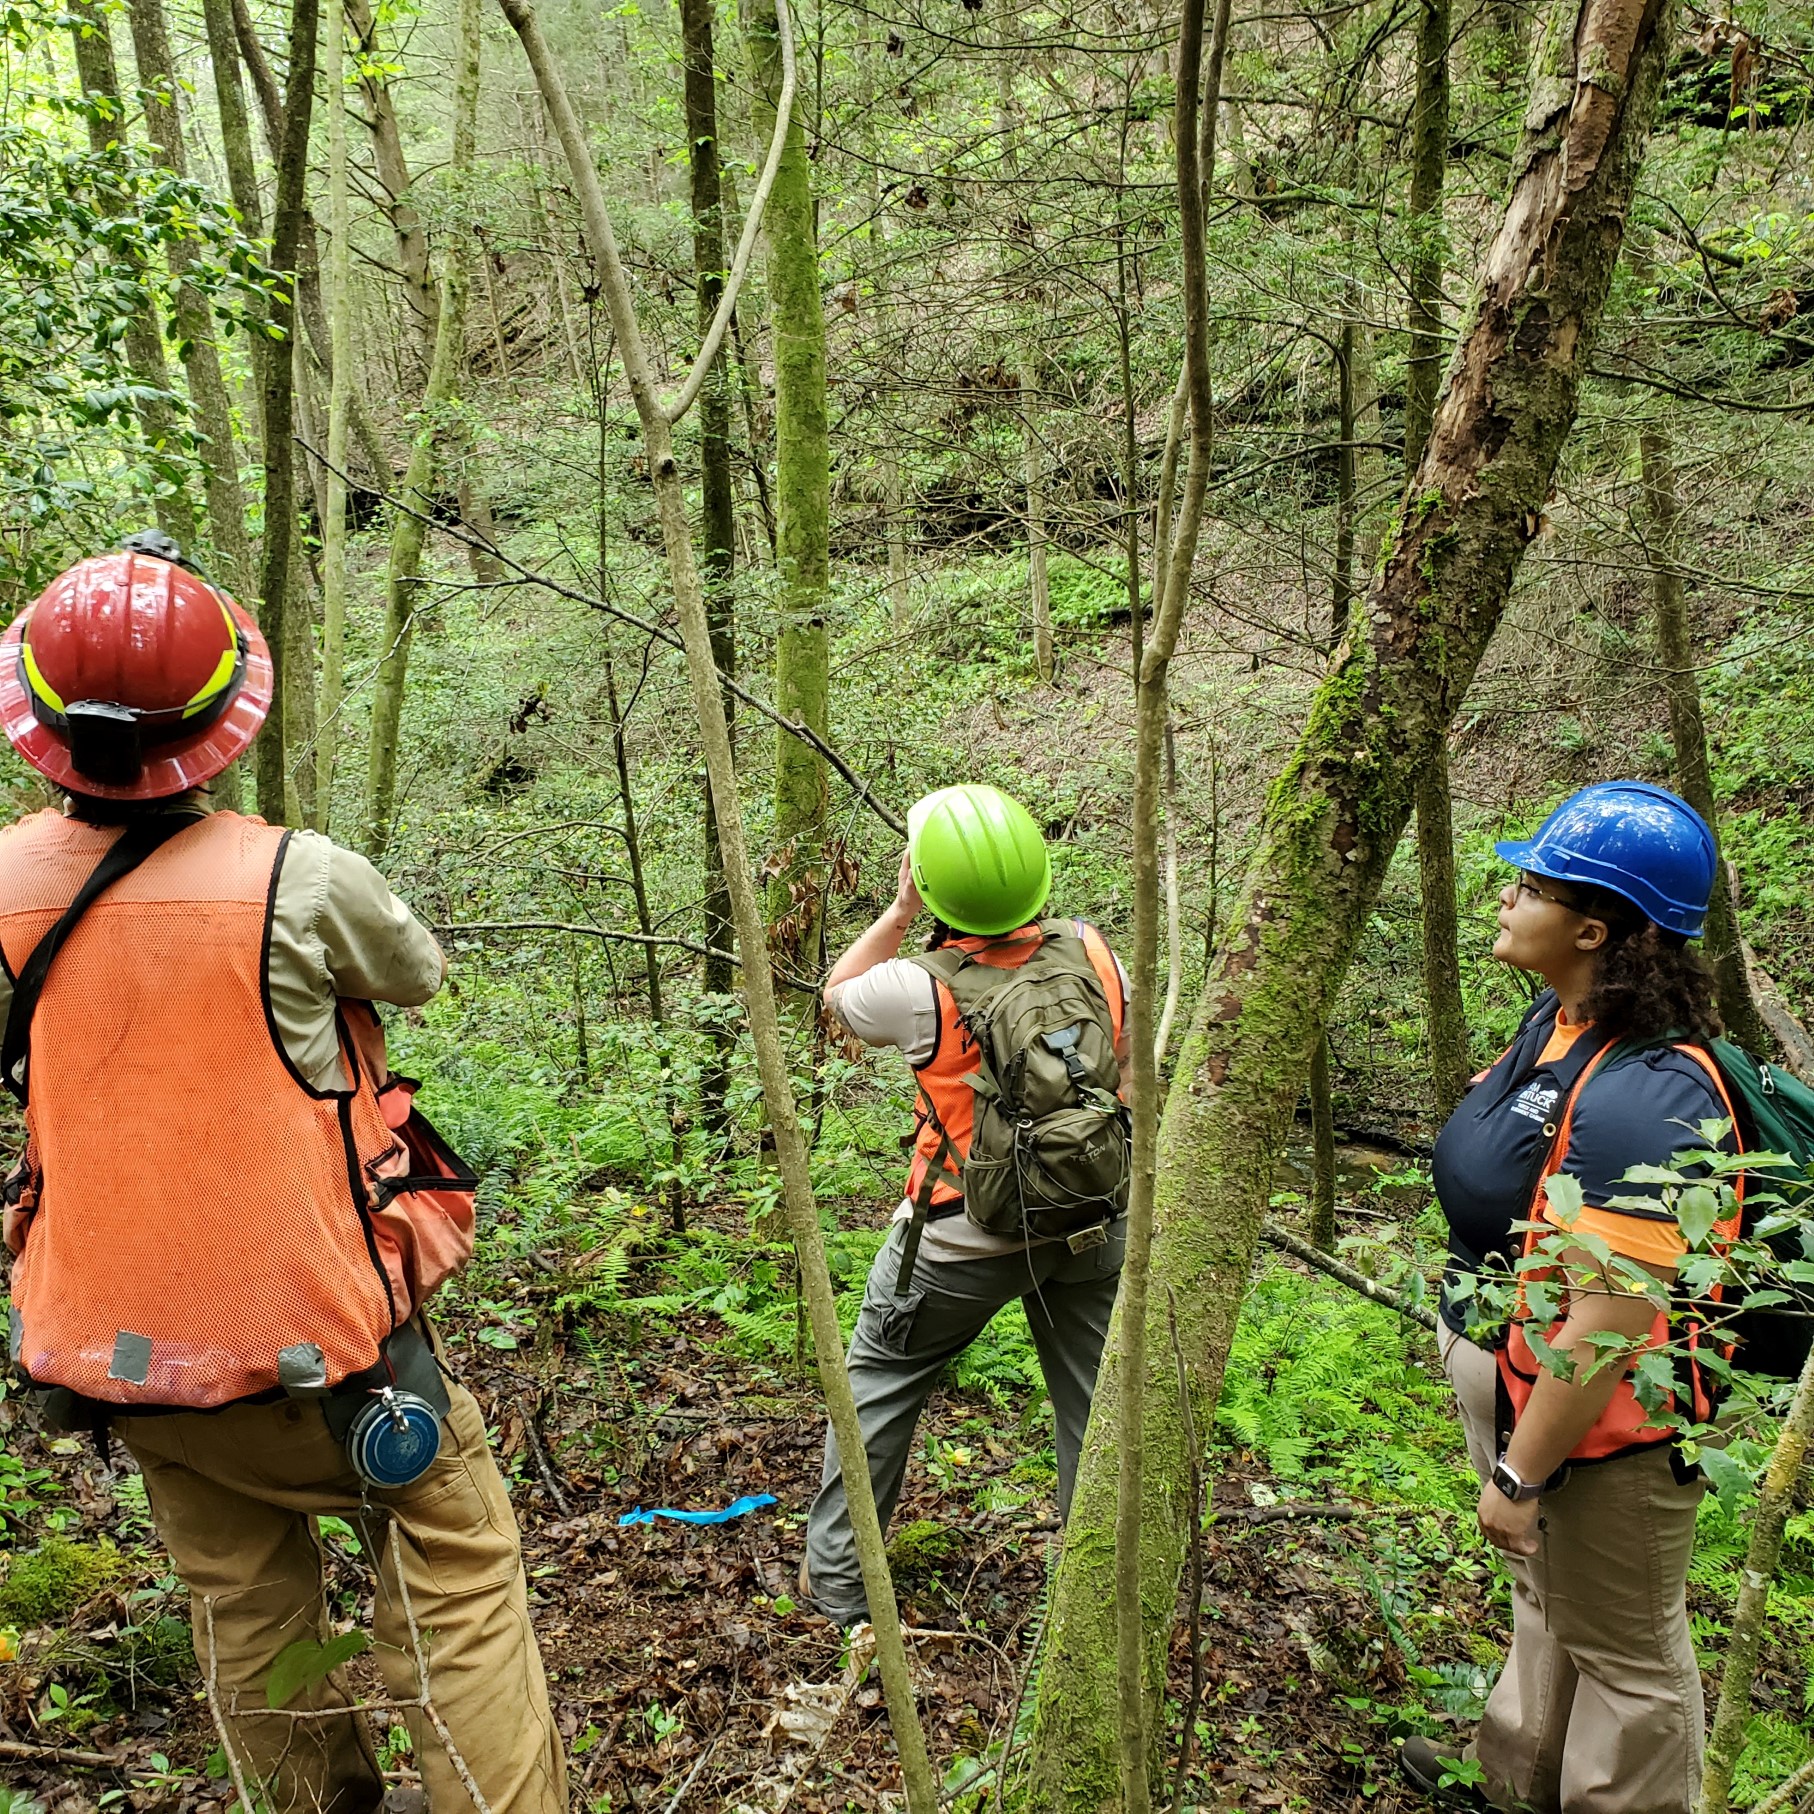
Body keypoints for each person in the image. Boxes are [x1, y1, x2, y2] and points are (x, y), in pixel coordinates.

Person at [0, 538, 566, 1814]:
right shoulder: (294, 877)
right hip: (322, 1343)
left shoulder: (6, 883)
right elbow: (411, 972)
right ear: (220, 726)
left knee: (240, 1589)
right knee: (454, 1561)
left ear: (43, 730)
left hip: (124, 1347)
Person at [1401, 781, 1736, 1814]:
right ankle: (1510, 1780)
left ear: (1592, 928)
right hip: (1512, 1381)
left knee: (1626, 1654)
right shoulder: (1557, 1018)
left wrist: (1519, 1466)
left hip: (1600, 1434)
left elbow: (1608, 1321)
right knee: (1543, 1600)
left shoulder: (1652, 1091)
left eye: (1530, 884)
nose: (1504, 896)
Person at [801, 783, 1131, 1627]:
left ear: (930, 881)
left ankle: (839, 1583)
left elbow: (836, 996)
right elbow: (1123, 1073)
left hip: (961, 1231)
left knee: (877, 1380)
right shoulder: (1095, 950)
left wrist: (901, 909)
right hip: (1093, 1215)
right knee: (1093, 1406)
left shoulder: (915, 985)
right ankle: (1095, 1602)